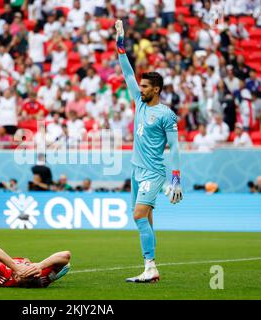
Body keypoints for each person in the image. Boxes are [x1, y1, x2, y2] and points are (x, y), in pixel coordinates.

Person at [115, 20, 182, 283]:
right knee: (146, 218)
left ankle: (151, 266)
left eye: (145, 87)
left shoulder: (166, 114)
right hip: (135, 170)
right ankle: (150, 267)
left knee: (139, 215)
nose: (139, 89)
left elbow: (175, 145)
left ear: (156, 89)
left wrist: (175, 178)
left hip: (153, 172)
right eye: (140, 86)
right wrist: (120, 45)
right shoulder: (140, 105)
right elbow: (127, 74)